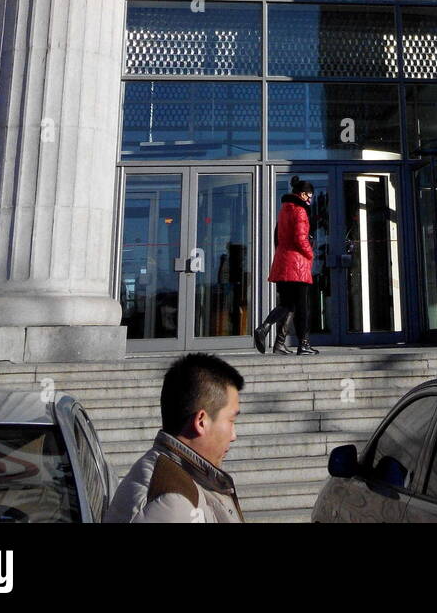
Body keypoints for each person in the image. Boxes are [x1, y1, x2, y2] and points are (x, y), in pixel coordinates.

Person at [103, 353, 244, 523]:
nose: (234, 436)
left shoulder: (188, 481)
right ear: (201, 422)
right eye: (231, 420)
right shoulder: (171, 503)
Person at [253, 175, 319, 357]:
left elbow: (278, 237)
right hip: (297, 265)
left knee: (288, 304)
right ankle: (303, 345)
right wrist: (310, 253)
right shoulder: (300, 211)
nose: (311, 198)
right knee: (303, 307)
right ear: (303, 194)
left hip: (283, 262)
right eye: (310, 195)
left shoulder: (284, 210)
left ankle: (269, 332)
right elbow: (300, 238)